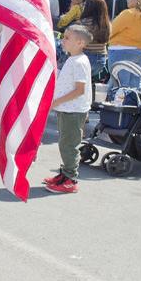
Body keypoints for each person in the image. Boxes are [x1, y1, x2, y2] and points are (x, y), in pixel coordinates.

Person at [44, 25, 93, 194]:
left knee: (69, 144)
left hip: (73, 110)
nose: (62, 41)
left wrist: (56, 101)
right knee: (65, 142)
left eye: (67, 38)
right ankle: (65, 174)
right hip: (67, 108)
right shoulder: (73, 59)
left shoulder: (79, 62)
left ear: (79, 42)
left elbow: (79, 89)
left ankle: (70, 179)